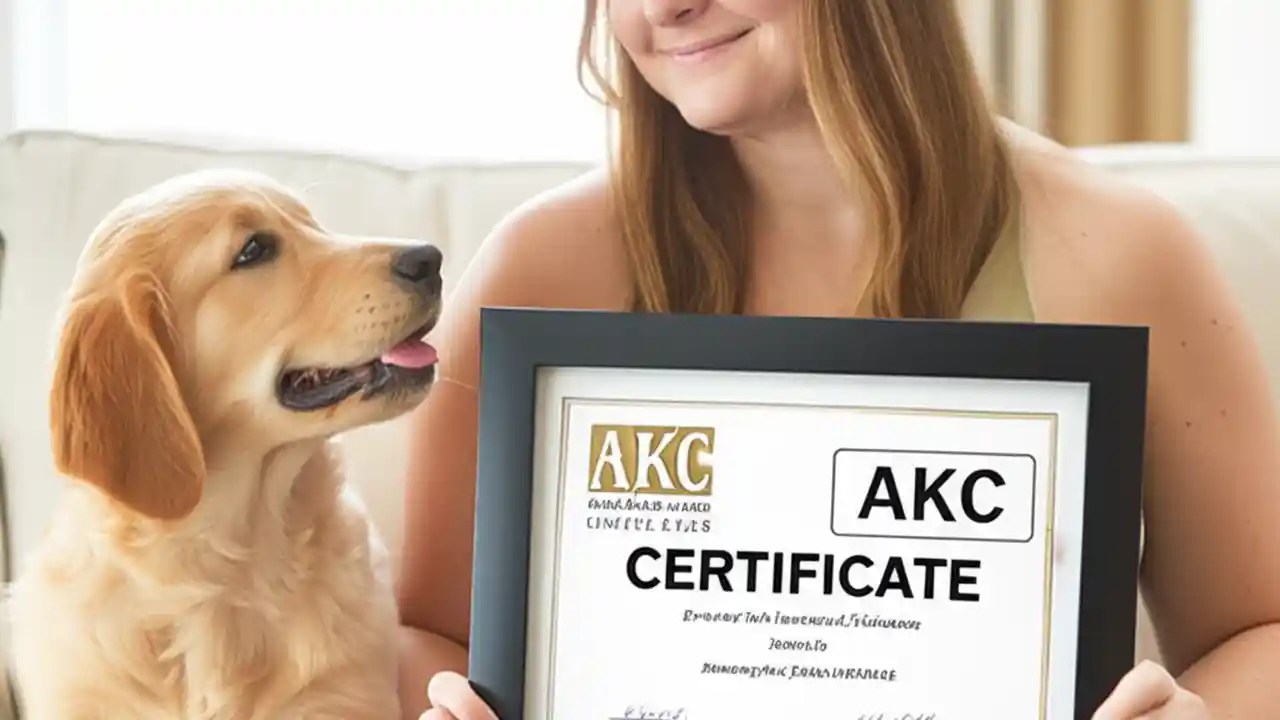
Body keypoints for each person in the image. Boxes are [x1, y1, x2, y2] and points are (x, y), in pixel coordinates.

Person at [394, 1, 1280, 718]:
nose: (667, 8)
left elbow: (1262, 631)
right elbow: (423, 637)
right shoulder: (539, 267)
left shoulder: (1119, 251)